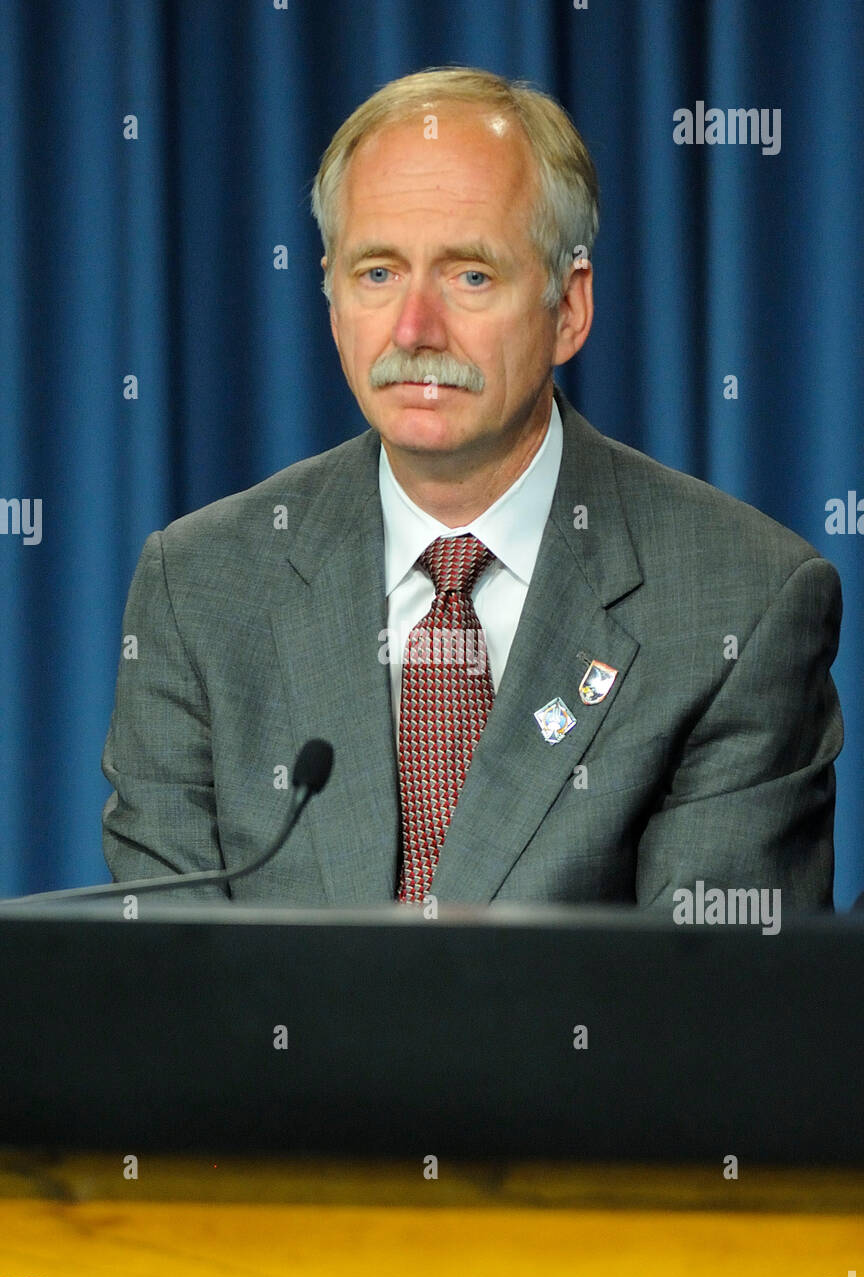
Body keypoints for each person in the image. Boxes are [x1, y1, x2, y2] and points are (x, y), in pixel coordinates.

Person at [101, 67, 843, 910]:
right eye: (377, 273)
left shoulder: (738, 600)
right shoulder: (198, 587)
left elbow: (708, 1007)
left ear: (568, 307)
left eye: (470, 276)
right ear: (331, 300)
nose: (414, 330)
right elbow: (168, 983)